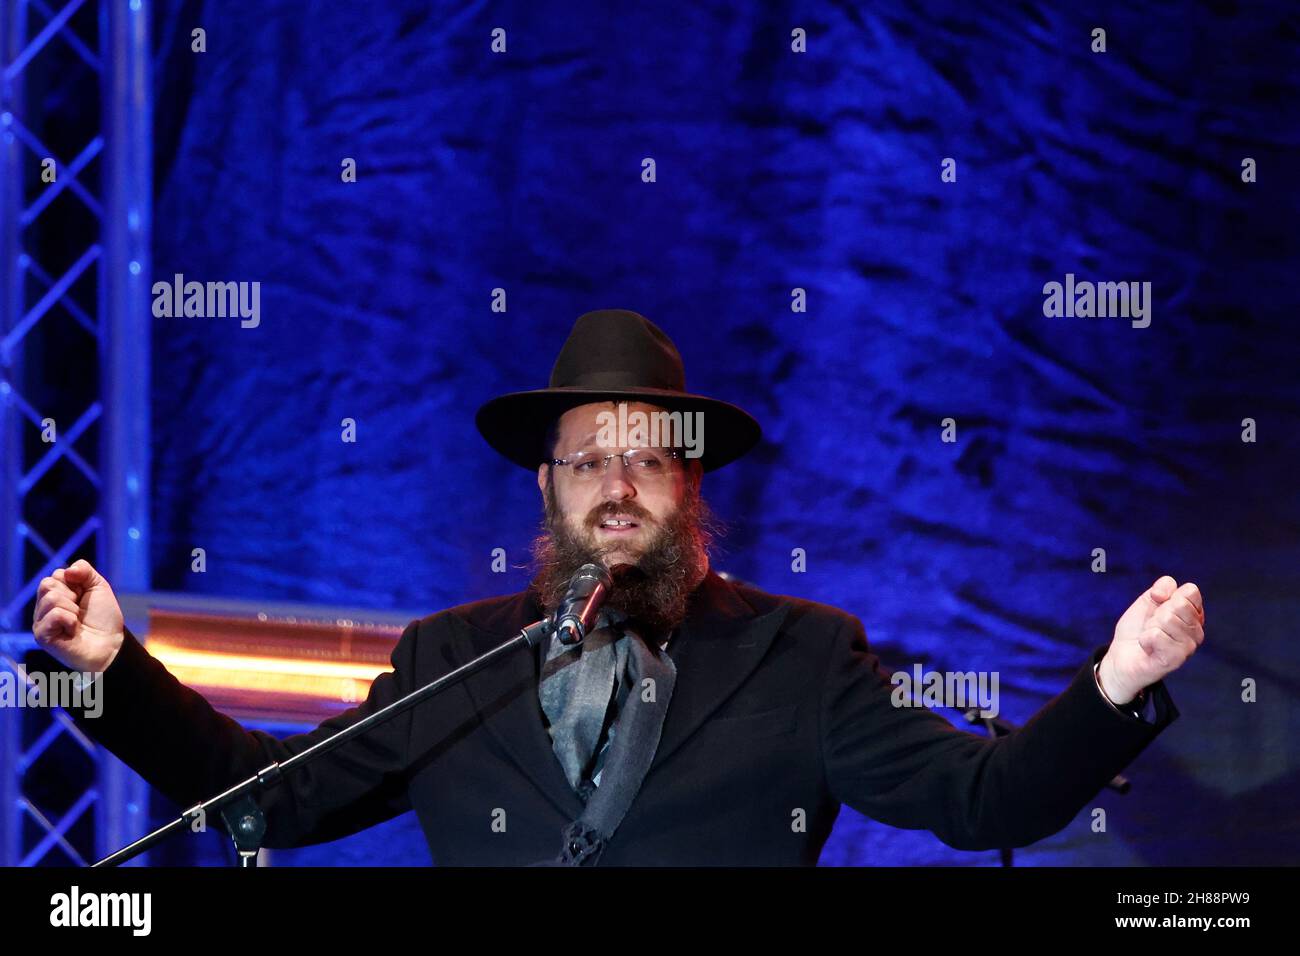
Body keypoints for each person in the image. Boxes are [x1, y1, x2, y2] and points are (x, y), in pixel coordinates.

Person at [31, 309, 1205, 865]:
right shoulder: (450, 657)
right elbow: (259, 801)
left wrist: (1114, 686)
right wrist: (111, 673)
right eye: (590, 457)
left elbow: (987, 800)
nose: (619, 481)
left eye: (648, 453)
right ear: (547, 487)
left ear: (688, 480)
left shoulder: (801, 654)